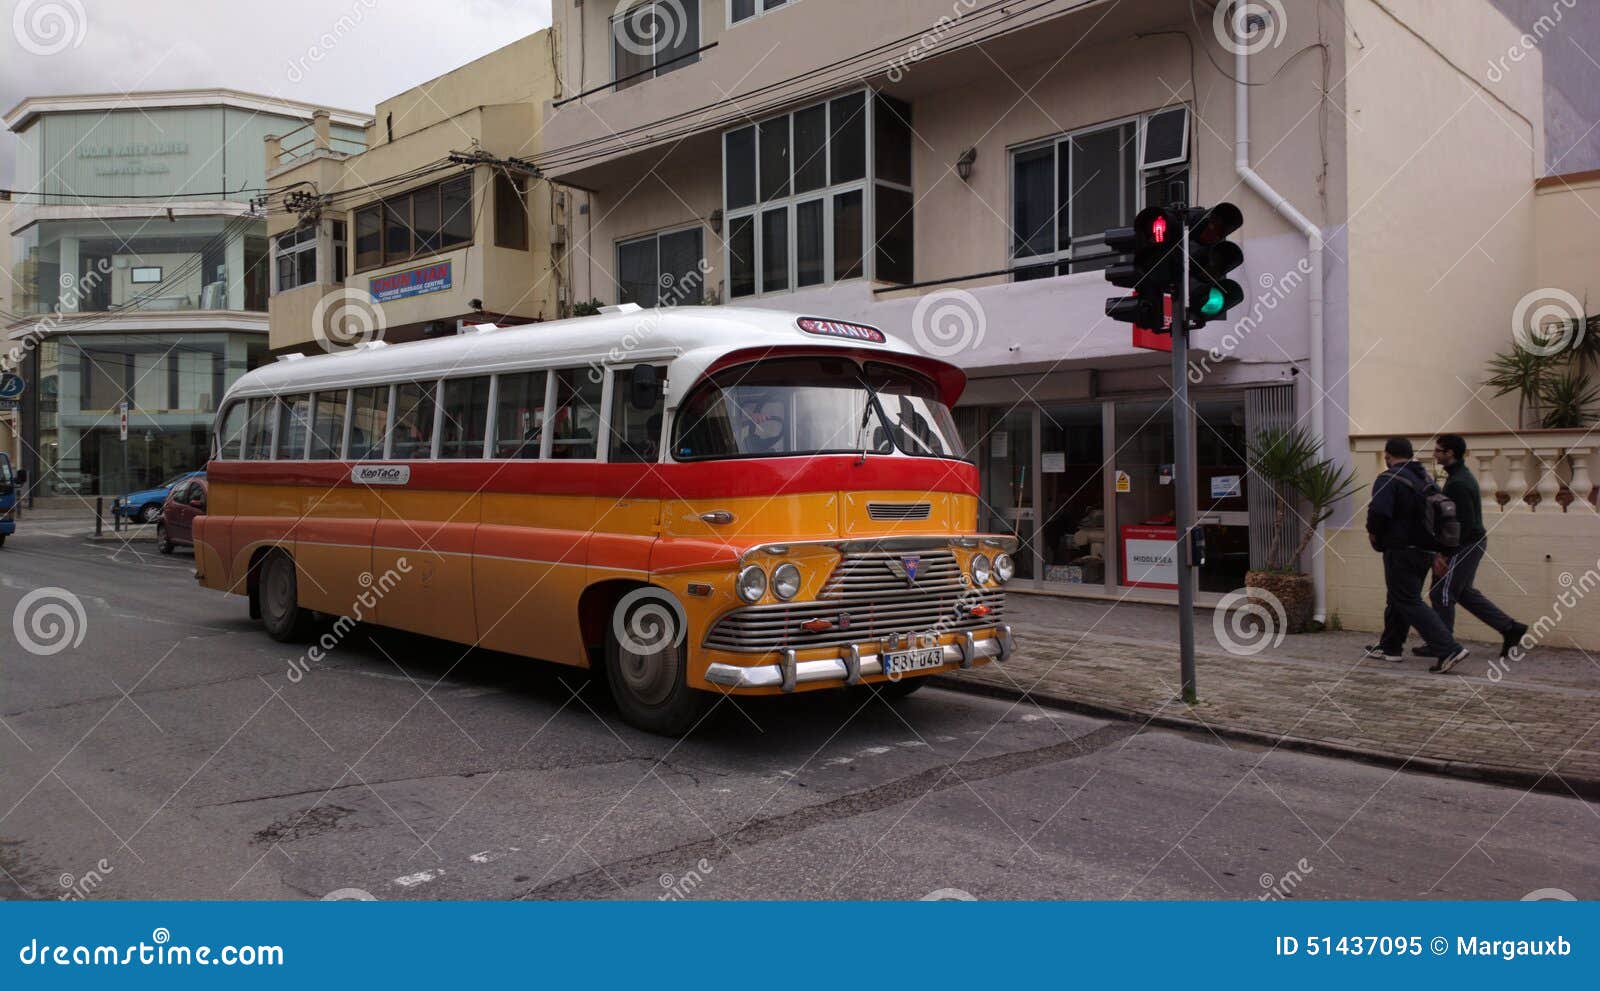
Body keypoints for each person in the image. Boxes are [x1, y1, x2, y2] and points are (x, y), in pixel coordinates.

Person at [1363, 436, 1469, 671]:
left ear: (1387, 455)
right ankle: (1390, 647)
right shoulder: (1425, 478)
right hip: (1426, 550)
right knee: (1398, 597)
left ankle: (1449, 649)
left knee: (1407, 599)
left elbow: (1379, 511)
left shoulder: (1388, 478)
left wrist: (1373, 533)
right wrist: (1440, 552)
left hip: (1401, 549)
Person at [1423, 434, 1528, 662]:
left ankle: (1443, 644)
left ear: (1450, 453)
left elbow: (1464, 524)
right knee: (1463, 592)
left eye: (1438, 450)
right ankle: (1510, 628)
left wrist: (1445, 554)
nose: (1434, 454)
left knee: (1442, 592)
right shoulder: (1458, 476)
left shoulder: (1458, 483)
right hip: (1469, 543)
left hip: (1465, 544)